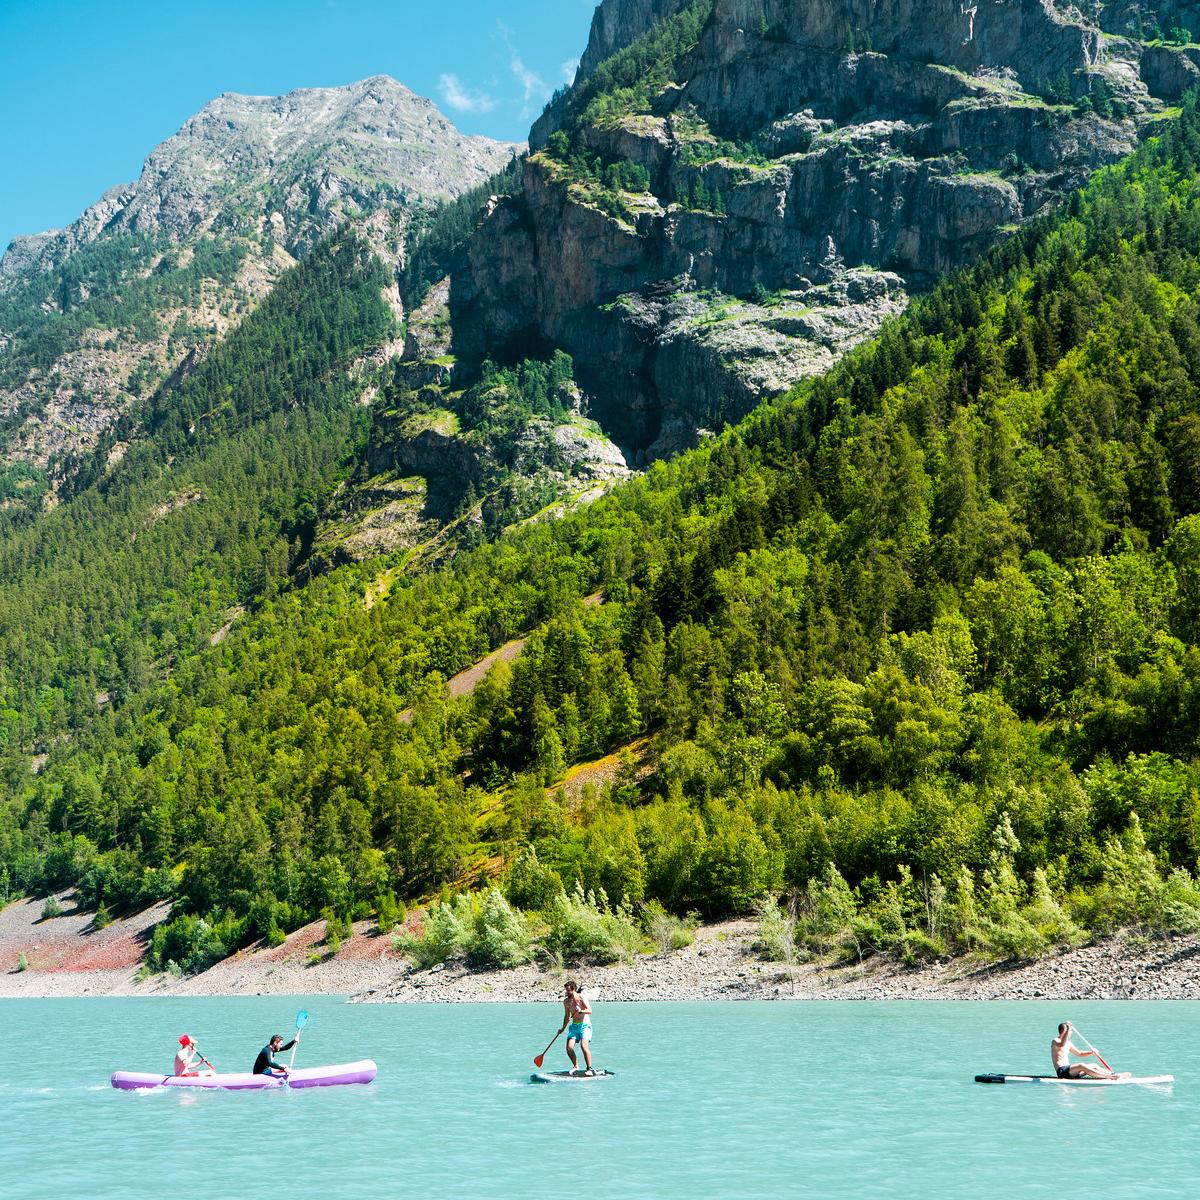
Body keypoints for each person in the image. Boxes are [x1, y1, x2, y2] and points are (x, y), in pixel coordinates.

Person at [1051, 1021, 1119, 1079]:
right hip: (1062, 1071)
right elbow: (1062, 1044)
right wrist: (1068, 1029)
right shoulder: (1055, 1041)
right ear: (1064, 1031)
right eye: (1070, 1031)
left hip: (1071, 1072)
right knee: (1081, 1065)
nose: (1071, 1032)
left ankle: (1112, 1074)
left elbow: (1079, 1053)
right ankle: (1107, 1076)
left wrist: (1092, 1052)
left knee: (1094, 1065)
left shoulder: (1069, 1043)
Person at [559, 980, 595, 1075]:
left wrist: (581, 1011)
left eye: (568, 991)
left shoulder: (581, 997)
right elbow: (566, 1016)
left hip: (585, 1025)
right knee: (569, 1048)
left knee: (584, 1046)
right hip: (574, 1027)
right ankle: (576, 1066)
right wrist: (562, 1029)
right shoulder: (566, 1002)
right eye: (566, 990)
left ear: (573, 989)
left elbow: (589, 1010)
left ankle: (589, 1068)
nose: (566, 992)